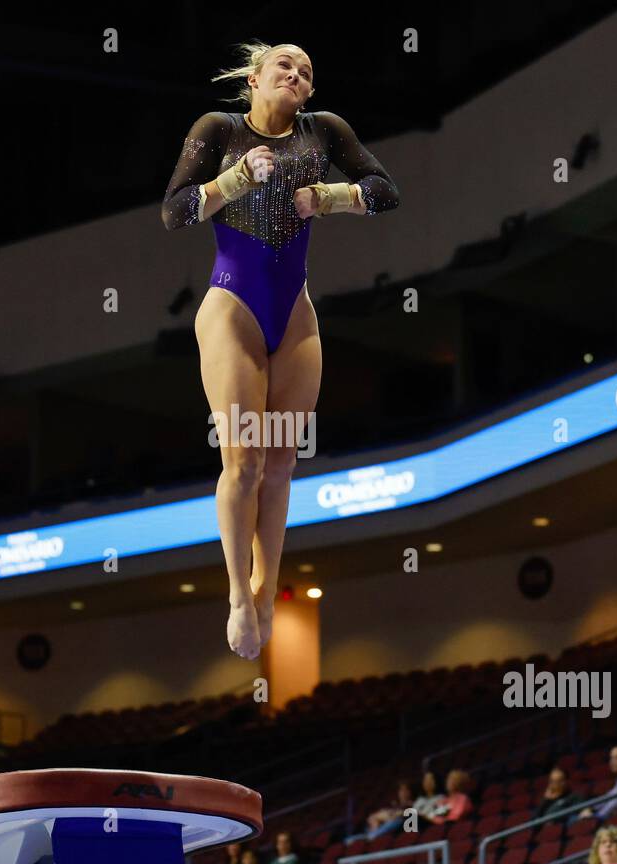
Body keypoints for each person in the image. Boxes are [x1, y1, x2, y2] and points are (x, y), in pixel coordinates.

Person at [162, 41, 400, 660]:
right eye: (284, 67)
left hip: (294, 315)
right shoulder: (219, 130)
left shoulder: (325, 132)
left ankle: (269, 594)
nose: (296, 75)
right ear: (254, 79)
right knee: (242, 463)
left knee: (282, 464)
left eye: (307, 72)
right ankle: (239, 594)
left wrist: (330, 198)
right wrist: (237, 178)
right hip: (232, 309)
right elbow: (175, 211)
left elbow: (384, 189)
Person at [579, 746, 617, 821]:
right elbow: (609, 797)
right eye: (611, 758)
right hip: (614, 816)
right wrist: (591, 807)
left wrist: (597, 816)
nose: (612, 762)